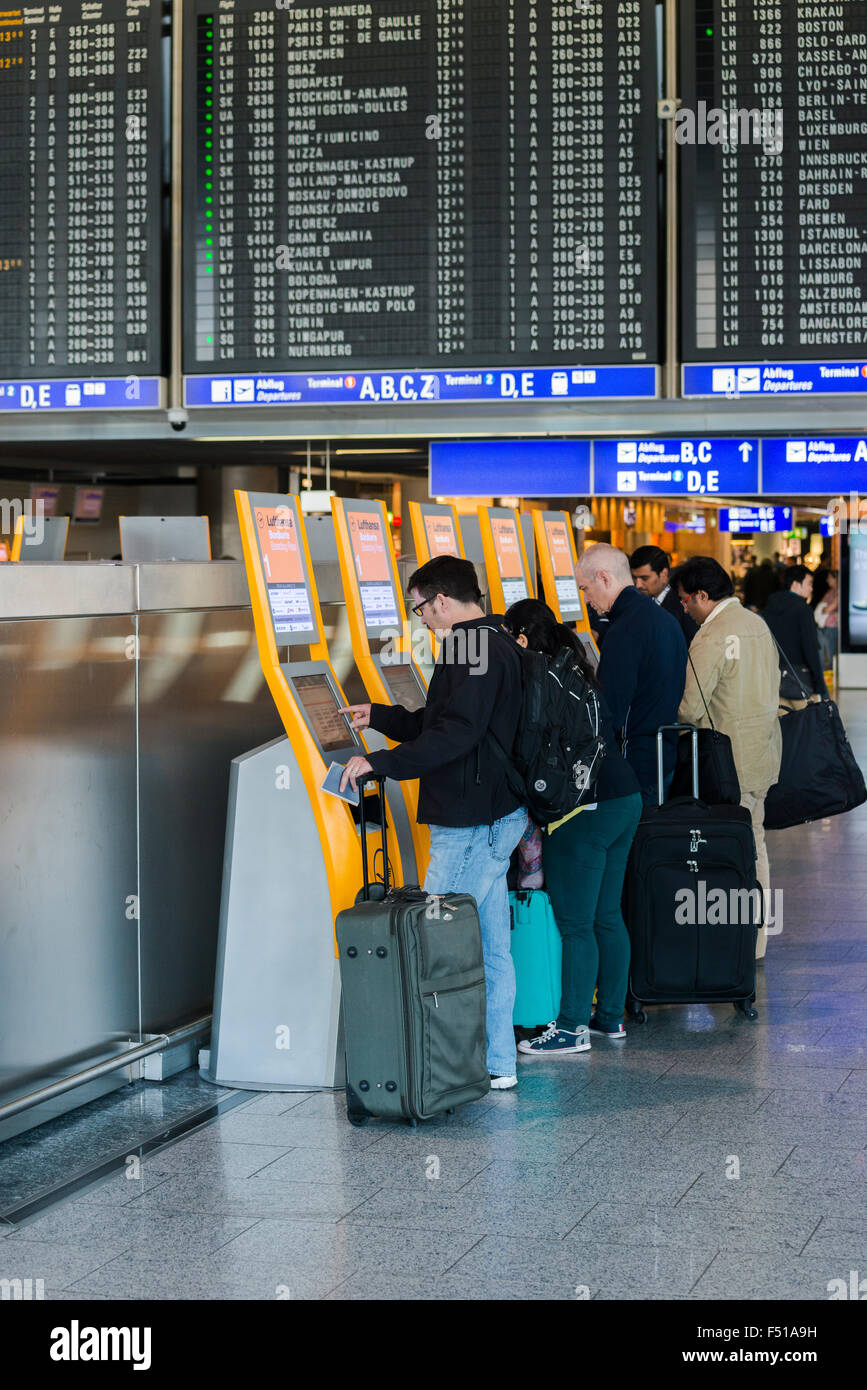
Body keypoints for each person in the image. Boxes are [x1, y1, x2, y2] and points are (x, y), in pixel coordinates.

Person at [338, 554, 527, 1091]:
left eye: (419, 607)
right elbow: (441, 723)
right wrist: (381, 717)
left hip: (472, 822)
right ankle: (496, 1064)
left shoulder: (473, 649)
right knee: (490, 948)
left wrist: (381, 763)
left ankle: (438, 1070)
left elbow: (456, 735)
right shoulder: (491, 640)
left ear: (441, 600)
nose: (419, 618)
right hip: (493, 814)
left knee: (436, 943)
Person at [500, 601, 642, 1056]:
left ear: (521, 637)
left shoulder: (539, 677)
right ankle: (609, 1018)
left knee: (577, 923)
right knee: (606, 916)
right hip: (625, 796)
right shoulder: (575, 665)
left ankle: (571, 1027)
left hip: (585, 810)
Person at [672, 556, 782, 961]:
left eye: (686, 600)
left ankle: (729, 939)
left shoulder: (712, 634)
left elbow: (691, 708)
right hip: (762, 754)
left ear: (703, 595)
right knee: (755, 844)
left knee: (725, 849)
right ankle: (756, 941)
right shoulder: (757, 625)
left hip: (725, 765)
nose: (684, 608)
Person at [575, 543, 687, 806]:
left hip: (633, 764)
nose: (586, 600)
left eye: (585, 589)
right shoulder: (664, 619)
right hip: (663, 755)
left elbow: (611, 708)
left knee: (631, 845)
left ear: (604, 578)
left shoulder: (624, 630)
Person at [761, 563, 826, 705]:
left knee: (780, 724)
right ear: (795, 584)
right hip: (799, 679)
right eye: (809, 584)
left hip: (773, 679)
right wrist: (820, 686)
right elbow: (810, 649)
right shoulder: (803, 610)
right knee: (803, 724)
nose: (811, 588)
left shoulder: (768, 608)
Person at [630, 544, 699, 644]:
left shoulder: (685, 605)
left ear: (664, 573)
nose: (638, 585)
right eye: (635, 578)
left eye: (645, 578)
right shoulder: (637, 602)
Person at [812, 568, 839, 673]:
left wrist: (825, 609)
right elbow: (823, 607)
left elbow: (827, 608)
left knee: (828, 654)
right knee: (825, 654)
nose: (827, 580)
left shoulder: (838, 591)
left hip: (831, 627)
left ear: (836, 578)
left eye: (829, 578)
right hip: (825, 625)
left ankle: (828, 677)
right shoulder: (832, 591)